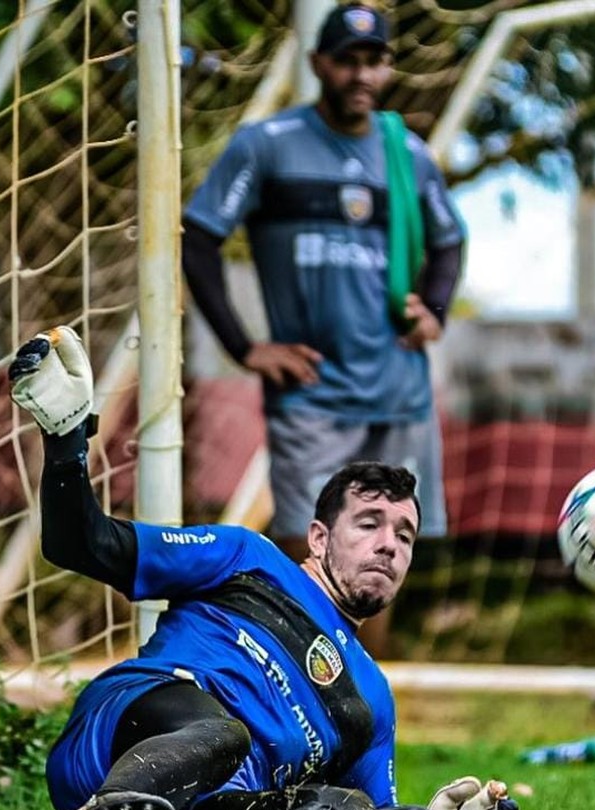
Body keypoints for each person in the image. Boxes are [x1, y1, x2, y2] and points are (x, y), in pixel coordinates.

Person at [9, 326, 517, 810]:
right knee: (224, 737)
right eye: (370, 524)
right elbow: (83, 544)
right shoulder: (250, 558)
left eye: (405, 535)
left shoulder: (372, 700)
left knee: (340, 806)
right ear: (319, 539)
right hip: (118, 740)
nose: (389, 545)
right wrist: (66, 440)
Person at [181, 2, 467, 657]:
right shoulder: (268, 145)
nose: (361, 74)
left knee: (384, 546)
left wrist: (436, 307)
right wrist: (245, 347)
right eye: (347, 59)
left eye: (374, 60)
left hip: (398, 388)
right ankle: (301, 695)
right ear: (319, 64)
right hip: (312, 393)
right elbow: (199, 238)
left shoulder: (409, 156)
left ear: (388, 66)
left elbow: (450, 241)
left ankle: (363, 702)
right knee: (304, 543)